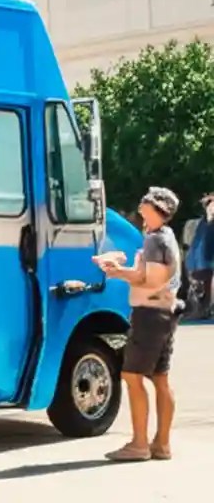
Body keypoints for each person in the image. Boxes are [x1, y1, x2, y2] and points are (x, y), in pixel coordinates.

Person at [94, 186, 183, 462]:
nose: (141, 206)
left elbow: (153, 281)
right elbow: (148, 274)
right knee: (160, 378)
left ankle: (139, 444)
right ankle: (161, 444)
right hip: (163, 314)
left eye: (146, 204)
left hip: (150, 316)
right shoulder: (160, 237)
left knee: (132, 376)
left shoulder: (157, 240)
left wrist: (118, 273)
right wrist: (119, 270)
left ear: (157, 210)